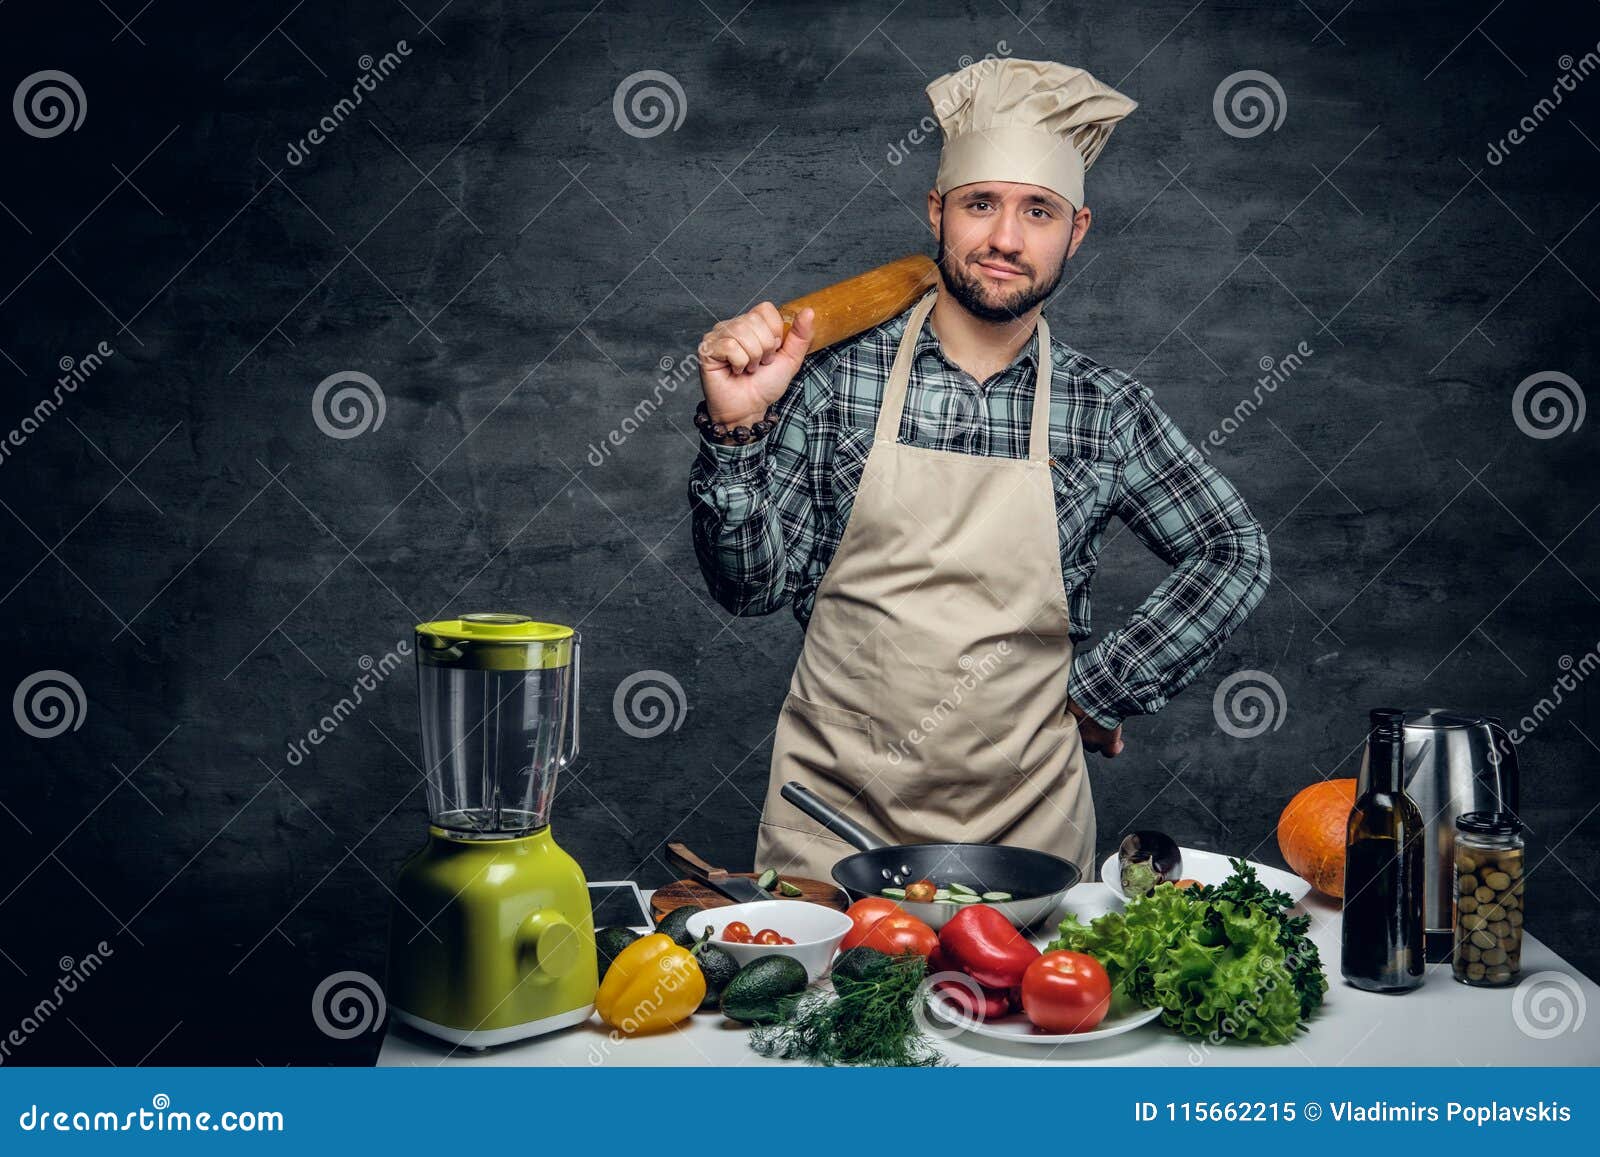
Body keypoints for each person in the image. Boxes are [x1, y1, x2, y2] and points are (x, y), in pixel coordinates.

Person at [687, 59, 1271, 882]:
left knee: (1017, 1014)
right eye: (980, 204)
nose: (1005, 238)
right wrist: (736, 430)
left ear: (1077, 230)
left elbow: (1232, 550)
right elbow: (748, 591)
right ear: (938, 211)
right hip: (830, 825)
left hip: (1023, 841)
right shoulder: (829, 380)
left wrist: (1105, 688)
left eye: (1038, 211)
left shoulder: (1105, 409)